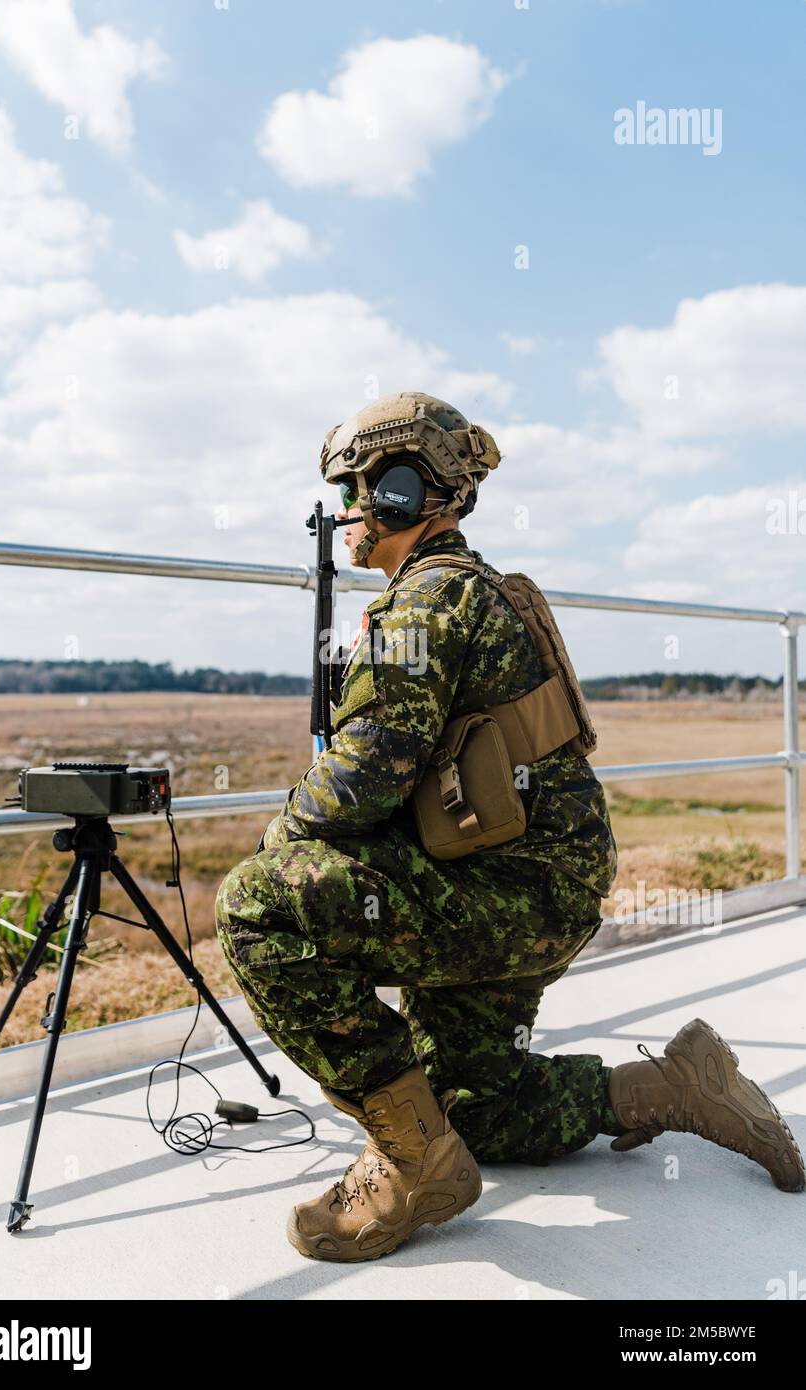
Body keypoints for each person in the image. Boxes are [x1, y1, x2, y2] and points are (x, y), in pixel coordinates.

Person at [215, 391, 804, 1264]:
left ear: (408, 492)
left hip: (506, 894)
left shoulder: (425, 605)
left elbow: (361, 782)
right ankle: (682, 1085)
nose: (344, 511)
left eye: (360, 488)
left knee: (259, 907)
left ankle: (414, 1167)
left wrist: (280, 843)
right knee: (478, 1107)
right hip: (530, 885)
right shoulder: (472, 589)